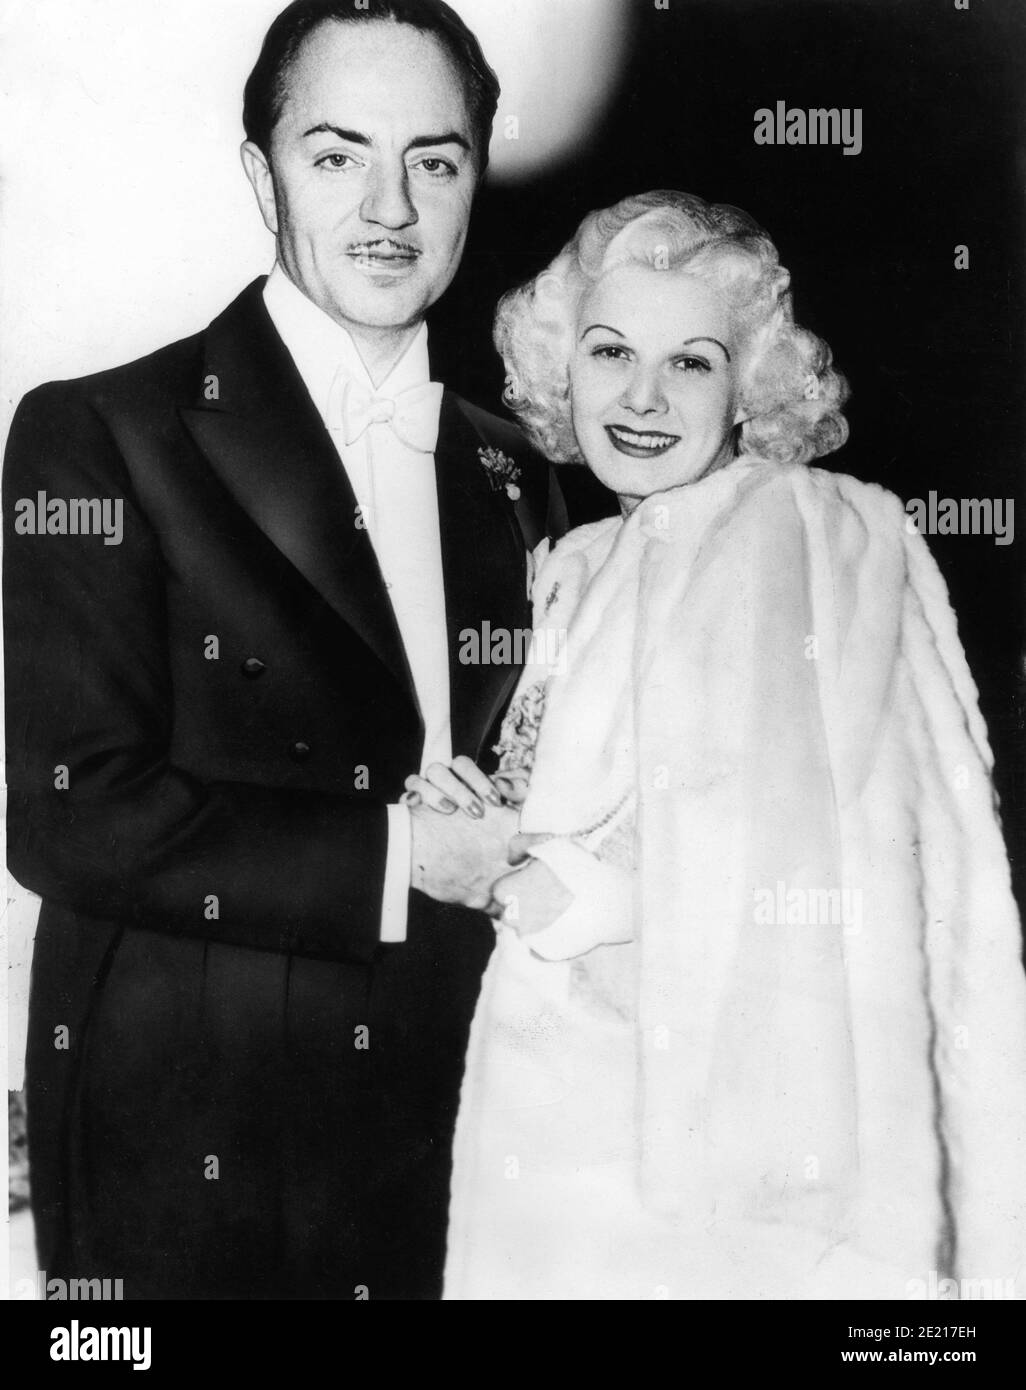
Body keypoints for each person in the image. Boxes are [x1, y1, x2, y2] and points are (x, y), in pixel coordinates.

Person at [3, 0, 569, 1301]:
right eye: (337, 154)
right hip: (191, 1166)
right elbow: (69, 814)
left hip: (452, 1150)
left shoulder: (514, 468)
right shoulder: (98, 434)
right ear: (261, 173)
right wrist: (396, 857)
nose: (391, 204)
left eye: (434, 158)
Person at [405, 191, 1026, 1300]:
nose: (640, 398)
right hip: (566, 1137)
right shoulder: (586, 557)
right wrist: (480, 816)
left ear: (748, 385)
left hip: (698, 1180)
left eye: (689, 363)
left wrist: (516, 880)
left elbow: (763, 847)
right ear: (563, 366)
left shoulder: (781, 524)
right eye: (608, 352)